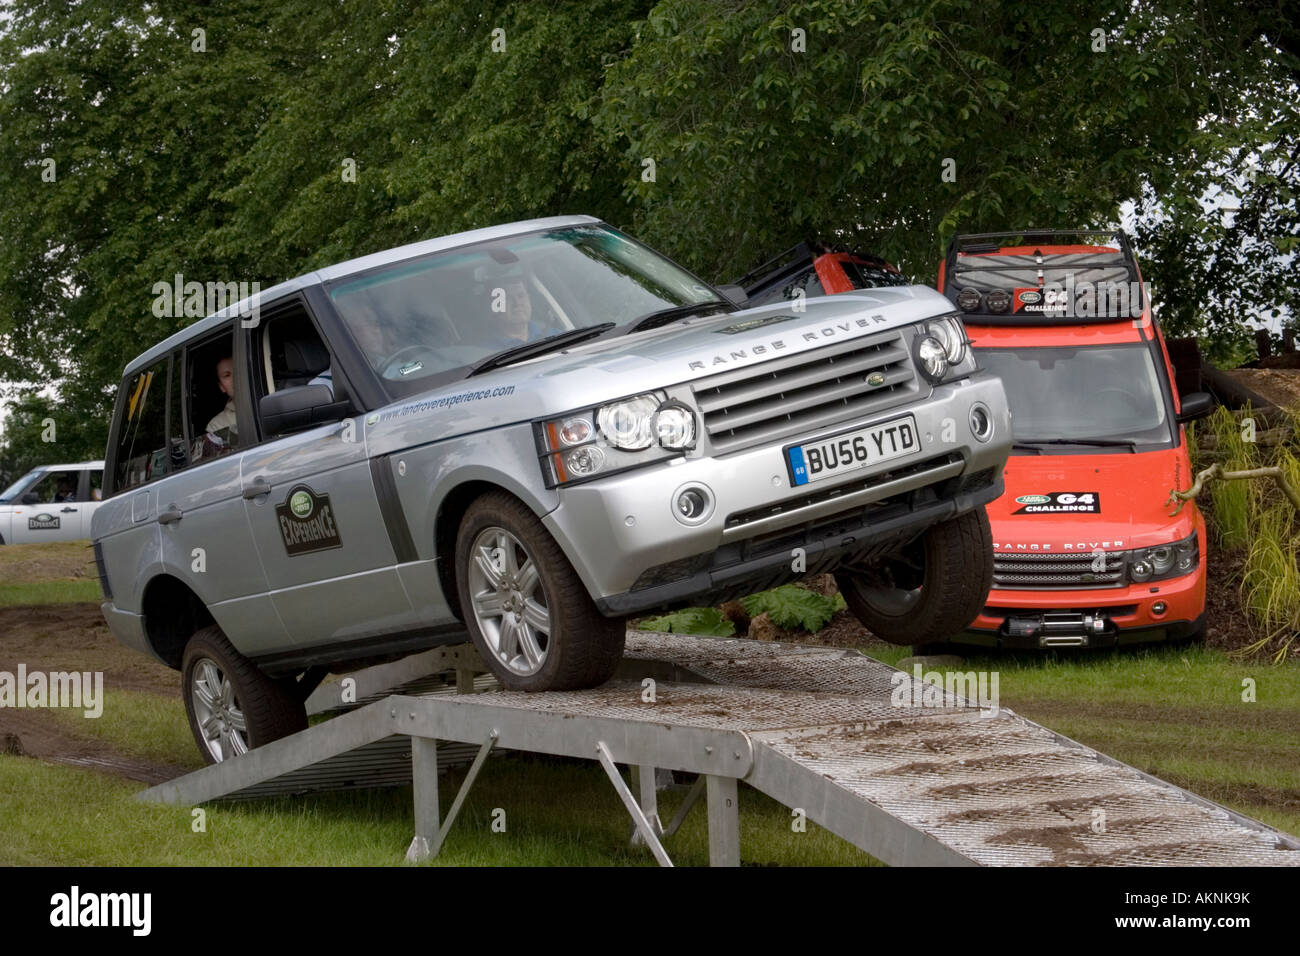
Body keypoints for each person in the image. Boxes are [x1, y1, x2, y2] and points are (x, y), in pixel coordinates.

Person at [205, 357, 238, 441]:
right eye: (227, 375)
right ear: (221, 387)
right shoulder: (216, 426)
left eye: (238, 369)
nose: (235, 377)